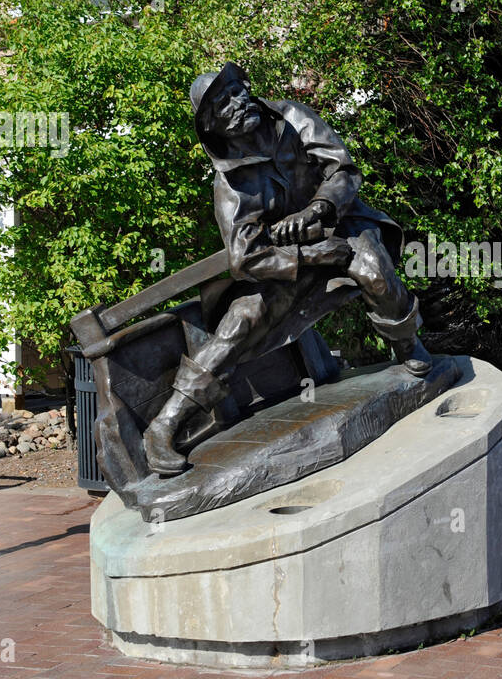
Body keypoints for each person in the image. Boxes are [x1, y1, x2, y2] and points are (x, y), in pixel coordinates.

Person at [141, 62, 432, 476]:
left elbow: (343, 170)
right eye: (223, 105)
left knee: (375, 270)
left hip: (340, 226)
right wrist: (315, 255)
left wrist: (320, 207)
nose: (237, 103)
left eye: (236, 91)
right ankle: (164, 427)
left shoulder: (295, 119)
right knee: (241, 321)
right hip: (287, 265)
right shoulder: (231, 186)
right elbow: (246, 258)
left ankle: (408, 345)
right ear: (215, 128)